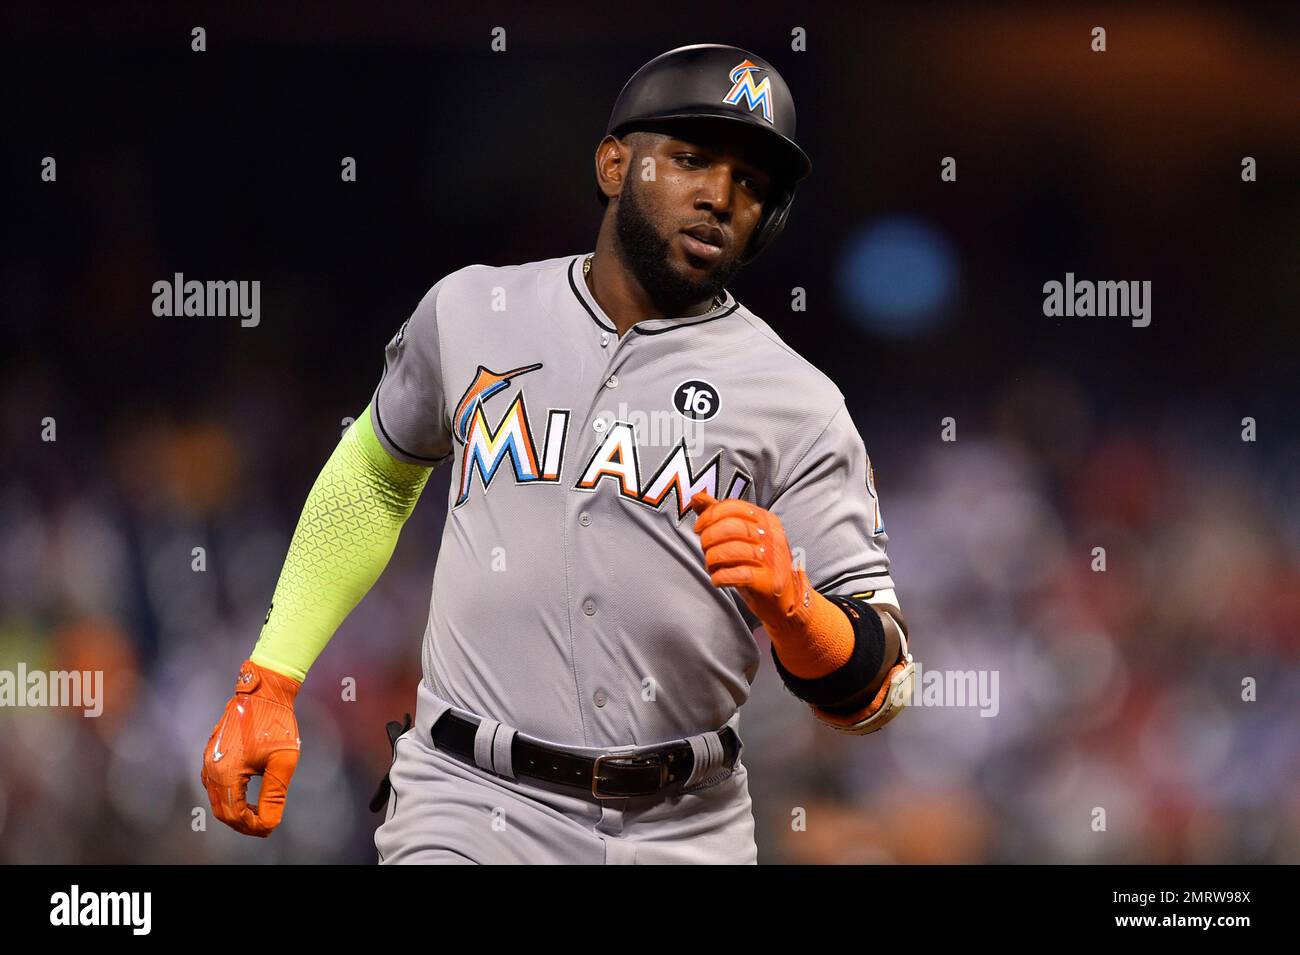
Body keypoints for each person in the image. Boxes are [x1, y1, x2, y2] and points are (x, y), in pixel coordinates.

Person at [200, 43, 914, 864]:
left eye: (752, 184)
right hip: (469, 799)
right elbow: (375, 472)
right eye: (690, 159)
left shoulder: (799, 400)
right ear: (615, 165)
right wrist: (272, 674)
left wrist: (800, 615)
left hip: (686, 824)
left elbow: (883, 689)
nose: (719, 196)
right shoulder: (473, 310)